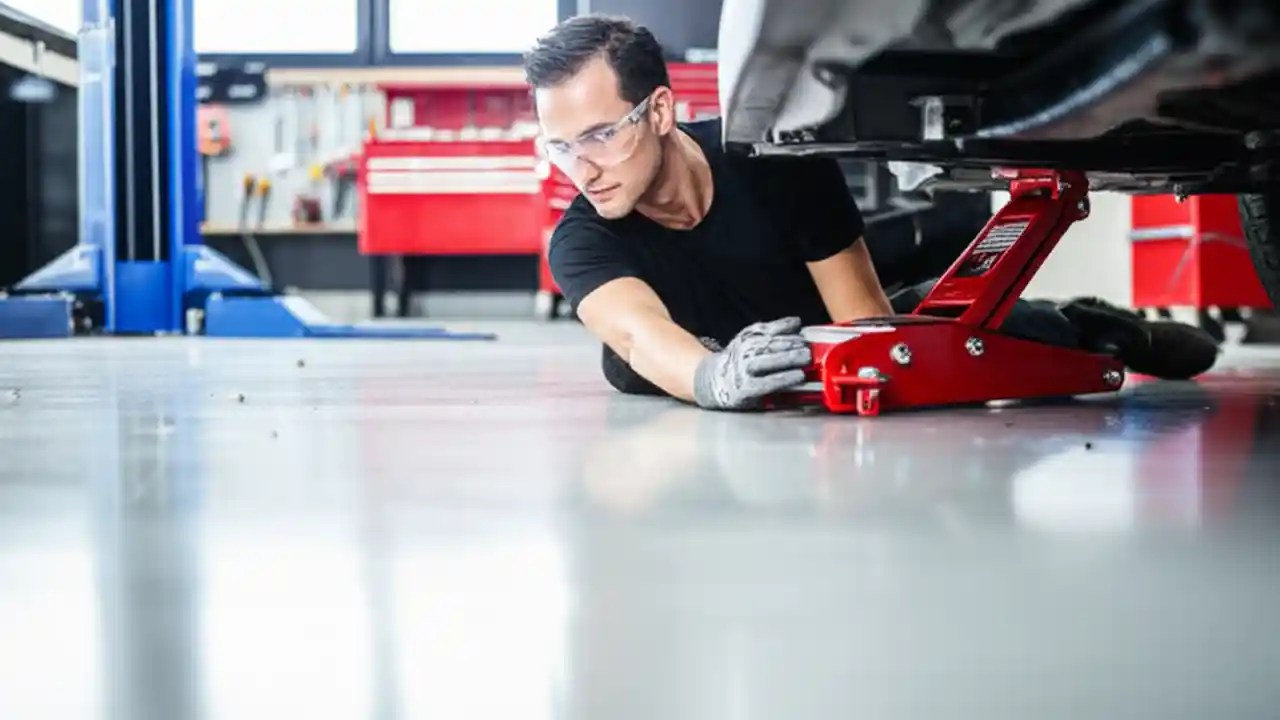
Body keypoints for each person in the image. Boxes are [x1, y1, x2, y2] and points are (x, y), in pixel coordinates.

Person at [524, 15, 1219, 411]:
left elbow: (862, 324)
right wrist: (713, 377)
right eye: (561, 146)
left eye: (599, 135)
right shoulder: (582, 238)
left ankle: (1090, 327)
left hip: (817, 301)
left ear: (662, 111)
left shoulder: (766, 164)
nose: (580, 168)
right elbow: (640, 334)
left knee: (936, 316)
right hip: (720, 341)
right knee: (628, 369)